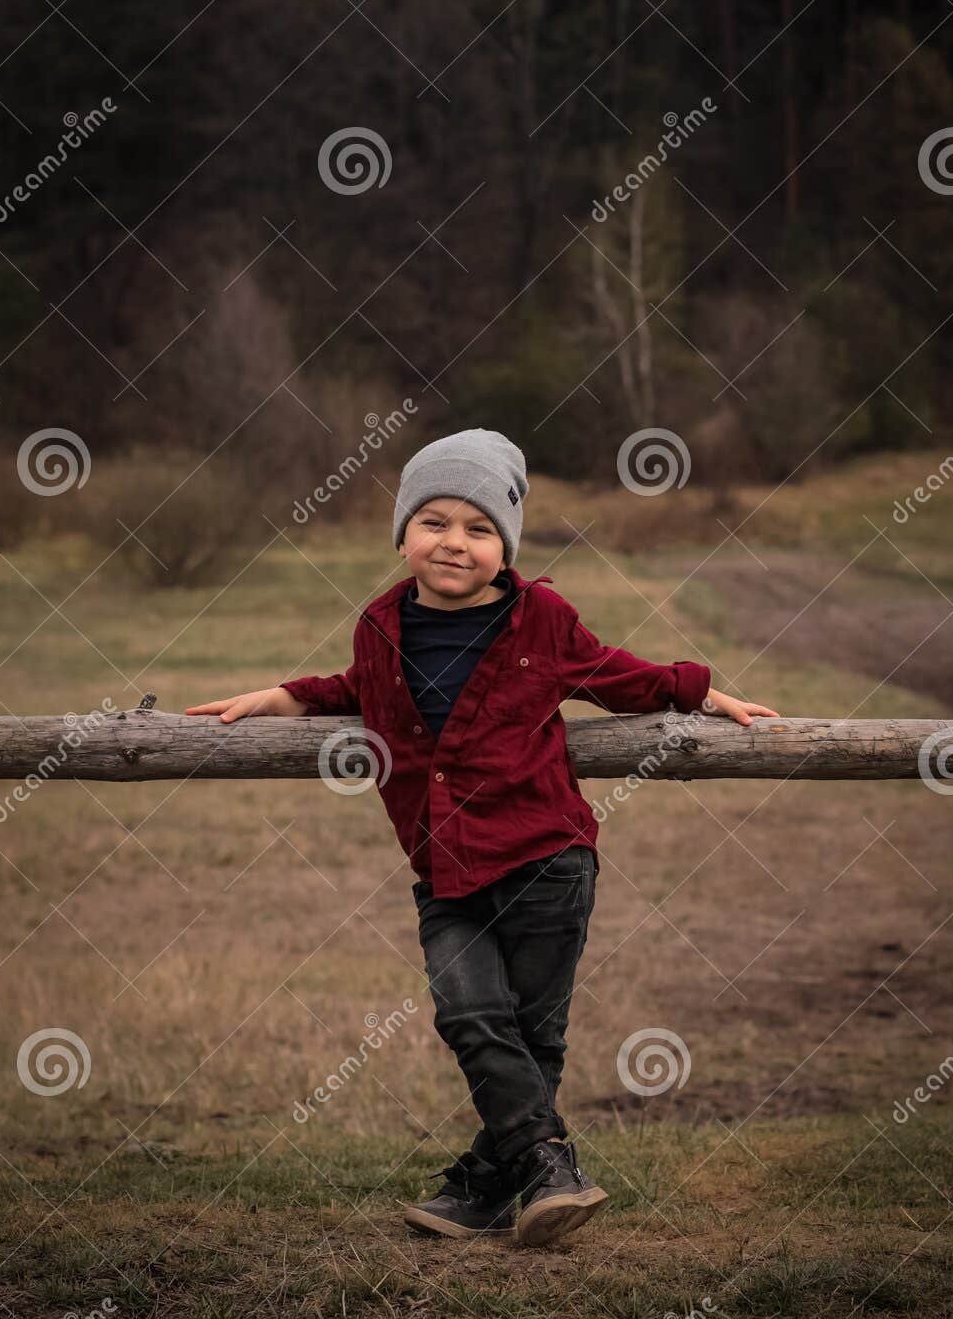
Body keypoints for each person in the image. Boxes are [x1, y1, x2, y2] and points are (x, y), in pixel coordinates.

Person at [186, 428, 779, 1247]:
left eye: (477, 528)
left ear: (505, 547)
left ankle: (491, 1183)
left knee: (535, 1034)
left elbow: (615, 675)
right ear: (402, 535)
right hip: (444, 867)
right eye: (432, 521)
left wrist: (703, 694)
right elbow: (364, 689)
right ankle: (544, 1166)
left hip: (545, 860)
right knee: (468, 1013)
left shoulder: (542, 619)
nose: (453, 542)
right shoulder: (379, 624)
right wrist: (284, 696)